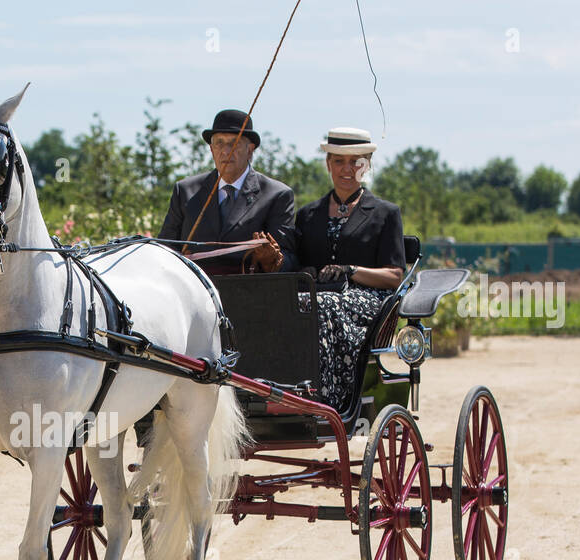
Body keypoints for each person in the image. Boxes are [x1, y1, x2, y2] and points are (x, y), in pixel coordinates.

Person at [257, 126, 405, 411]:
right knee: (289, 305)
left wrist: (351, 270)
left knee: (322, 306)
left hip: (366, 301)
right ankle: (278, 390)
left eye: (356, 162)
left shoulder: (385, 213)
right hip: (317, 295)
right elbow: (296, 265)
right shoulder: (308, 215)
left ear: (367, 166)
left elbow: (394, 276)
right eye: (339, 161)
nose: (347, 169)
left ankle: (325, 397)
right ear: (328, 164)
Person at [157, 109, 293, 274]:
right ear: (211, 149)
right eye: (219, 143)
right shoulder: (185, 191)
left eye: (234, 143)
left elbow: (290, 260)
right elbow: (163, 250)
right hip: (194, 294)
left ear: (250, 150)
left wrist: (271, 260)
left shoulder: (277, 195)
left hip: (250, 293)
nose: (226, 151)